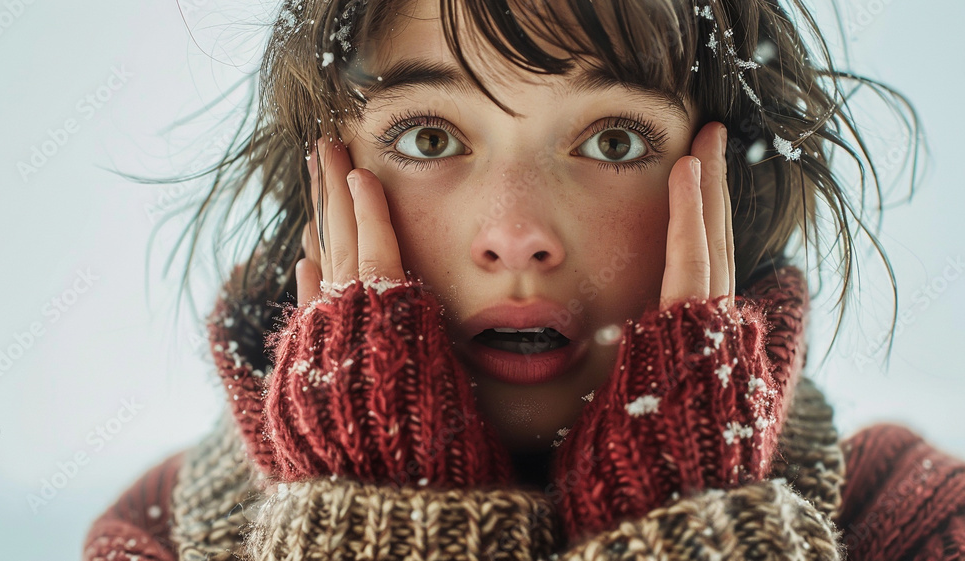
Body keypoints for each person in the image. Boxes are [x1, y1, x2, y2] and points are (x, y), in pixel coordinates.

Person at [83, 1, 965, 559]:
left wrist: (696, 520)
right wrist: (378, 516)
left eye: (613, 141)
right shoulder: (155, 534)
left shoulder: (913, 515)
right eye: (430, 138)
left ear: (731, 185)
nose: (516, 236)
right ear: (322, 180)